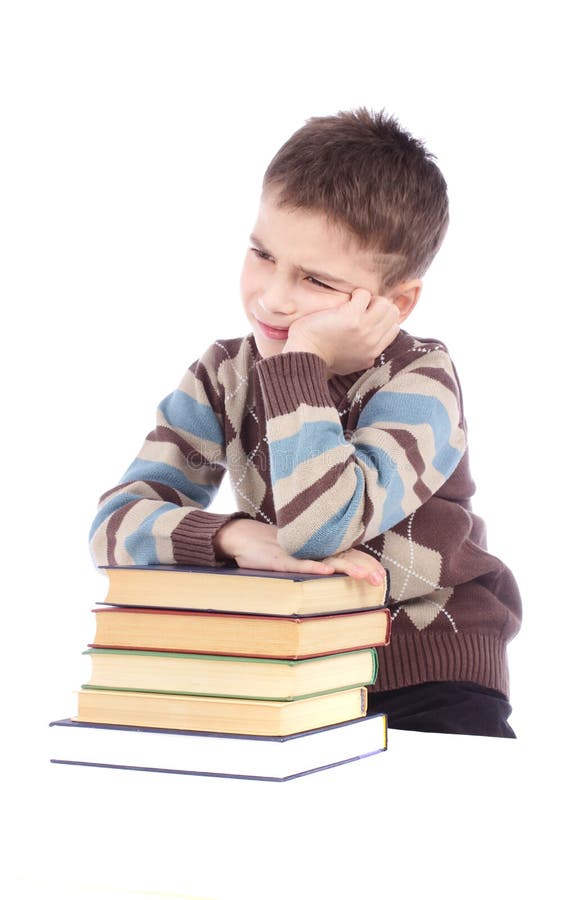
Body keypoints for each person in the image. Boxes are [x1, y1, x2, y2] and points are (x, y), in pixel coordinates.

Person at [90, 108, 521, 738]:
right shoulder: (223, 375)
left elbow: (322, 526)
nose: (274, 297)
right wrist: (233, 536)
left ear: (396, 301)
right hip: (293, 666)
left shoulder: (420, 380)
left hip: (431, 673)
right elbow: (113, 525)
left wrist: (300, 363)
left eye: (316, 280)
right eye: (263, 254)